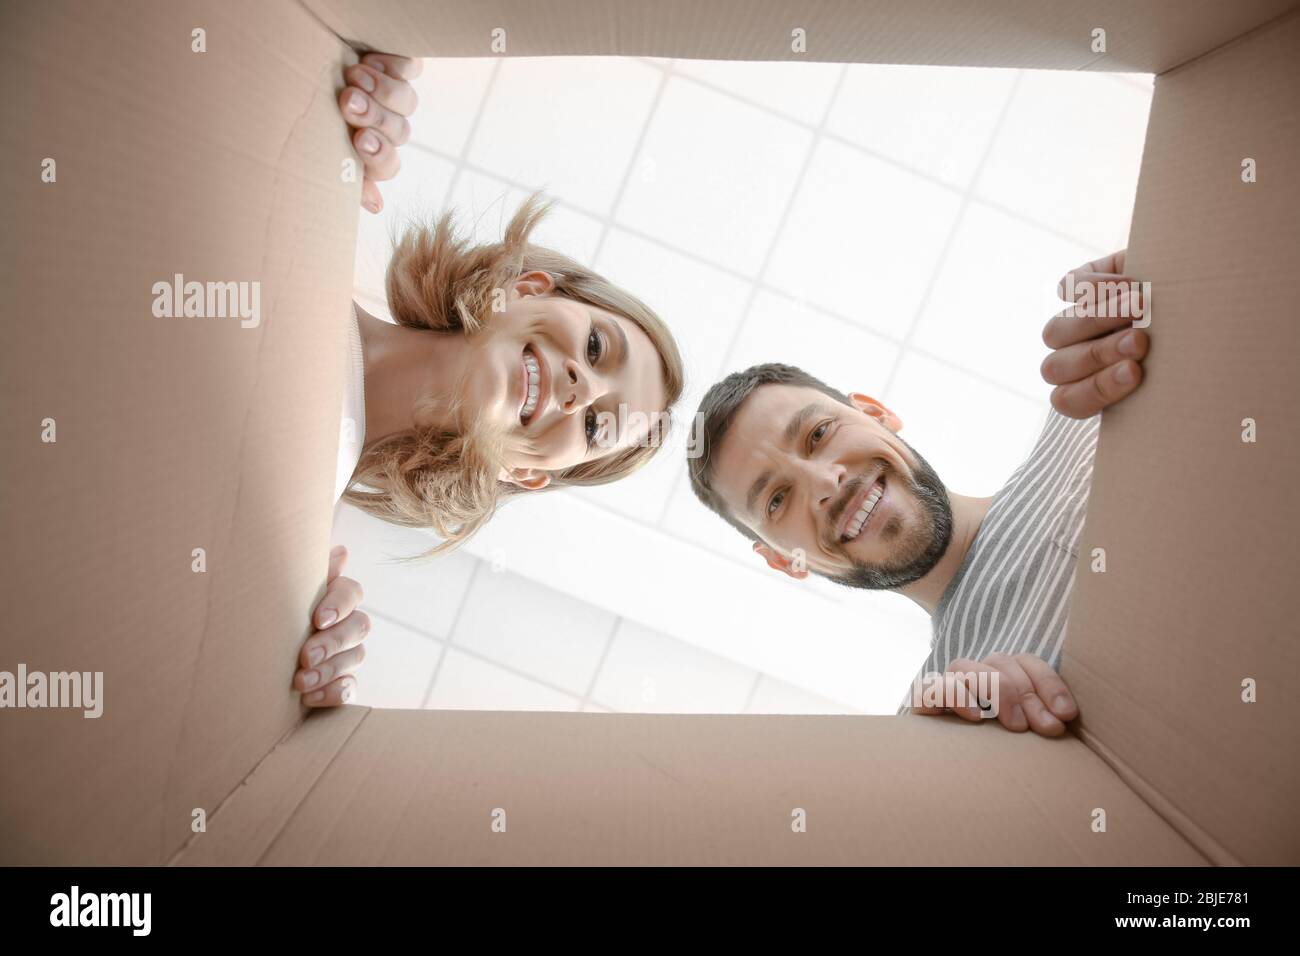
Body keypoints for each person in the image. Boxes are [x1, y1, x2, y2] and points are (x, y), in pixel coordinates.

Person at [297, 54, 685, 707]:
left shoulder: (304, 545)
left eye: (595, 426)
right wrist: (332, 96)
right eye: (596, 346)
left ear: (525, 474)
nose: (581, 388)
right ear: (526, 290)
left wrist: (286, 651)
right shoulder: (313, 221)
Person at [686, 252, 1149, 736]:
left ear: (876, 413)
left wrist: (1149, 291)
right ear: (784, 561)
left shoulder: (1092, 409)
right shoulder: (941, 718)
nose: (826, 485)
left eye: (819, 434)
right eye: (777, 501)